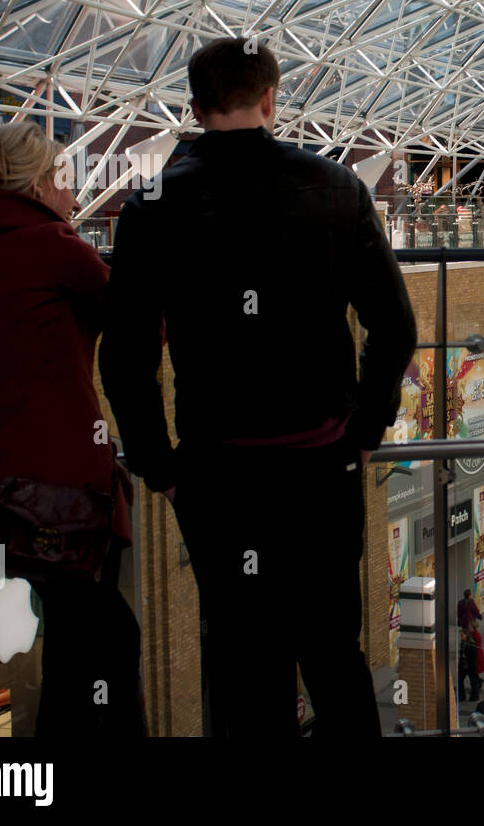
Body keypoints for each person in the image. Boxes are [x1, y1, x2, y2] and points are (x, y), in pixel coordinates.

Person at [99, 38, 417, 737]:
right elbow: (395, 328)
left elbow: (123, 357)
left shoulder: (153, 204)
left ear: (195, 106)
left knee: (245, 658)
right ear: (271, 99)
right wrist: (364, 430)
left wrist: (160, 467)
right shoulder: (336, 188)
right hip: (321, 464)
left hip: (219, 474)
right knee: (333, 648)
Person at [0, 122, 143, 737]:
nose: (75, 196)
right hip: (65, 496)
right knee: (105, 645)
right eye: (65, 180)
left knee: (77, 649)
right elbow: (140, 327)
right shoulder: (51, 245)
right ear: (36, 185)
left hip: (10, 495)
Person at [457, 625, 482, 701]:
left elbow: (474, 656)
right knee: (460, 680)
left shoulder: (472, 644)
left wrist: (467, 659)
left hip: (471, 666)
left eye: (462, 635)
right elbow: (461, 654)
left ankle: (474, 696)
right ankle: (461, 696)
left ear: (466, 635)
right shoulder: (462, 643)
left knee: (473, 682)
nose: (461, 637)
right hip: (463, 666)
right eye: (460, 635)